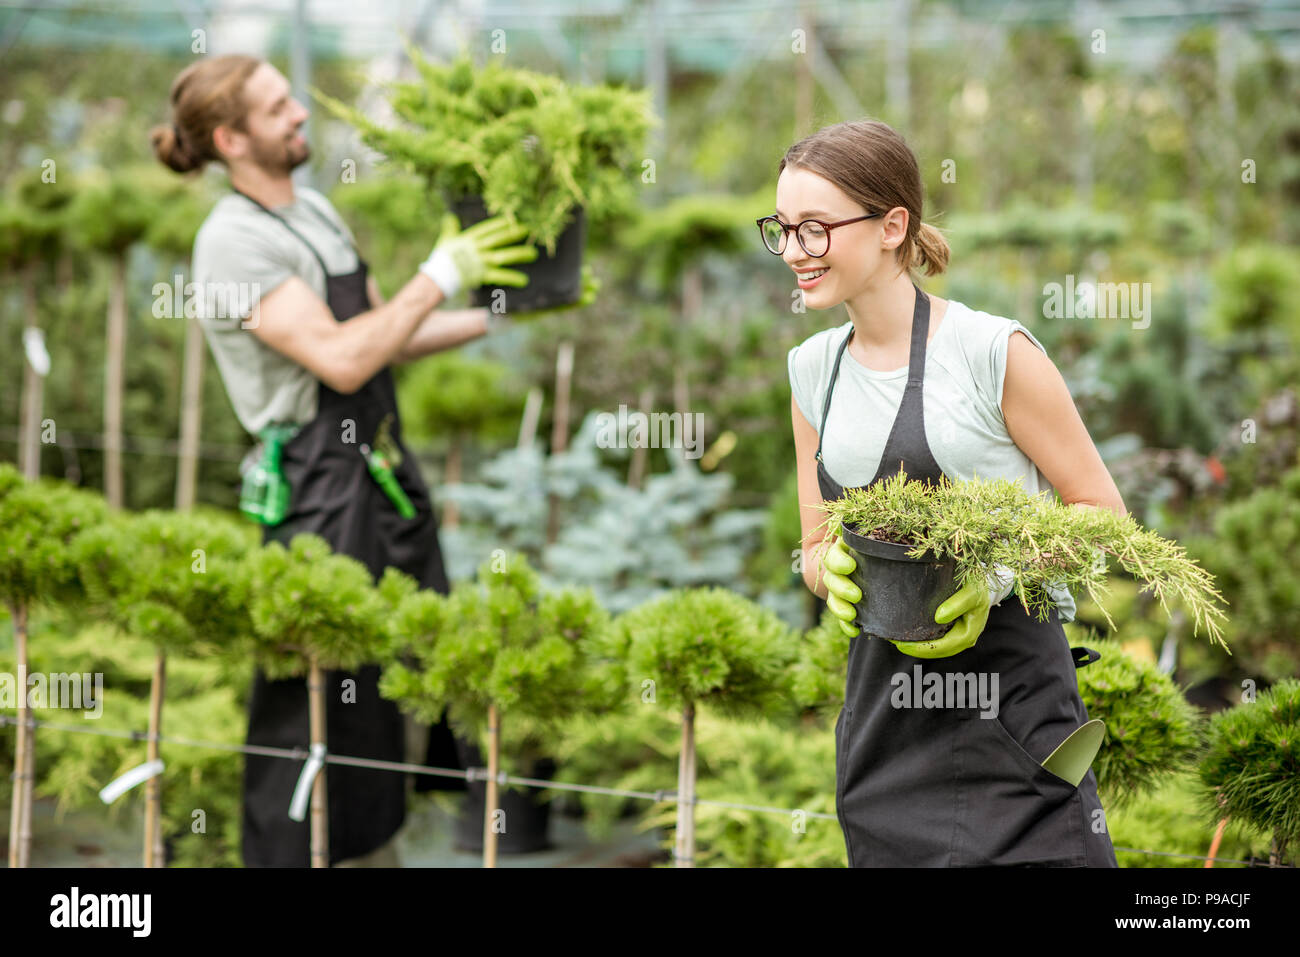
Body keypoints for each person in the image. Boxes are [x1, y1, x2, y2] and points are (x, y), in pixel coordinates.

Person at [152, 54, 538, 867]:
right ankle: (297, 855)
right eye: (276, 106)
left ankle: (371, 849)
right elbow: (342, 359)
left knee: (389, 680)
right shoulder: (232, 242)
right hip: (319, 489)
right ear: (230, 137)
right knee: (315, 694)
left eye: (292, 95)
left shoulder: (314, 210)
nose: (299, 112)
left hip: (377, 468)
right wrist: (438, 273)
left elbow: (383, 334)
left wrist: (500, 309)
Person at [773, 119, 1122, 867]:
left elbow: (1102, 514)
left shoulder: (993, 353)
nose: (793, 252)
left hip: (1016, 724)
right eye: (782, 228)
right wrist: (823, 575)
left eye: (815, 229)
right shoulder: (813, 371)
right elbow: (812, 542)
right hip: (887, 732)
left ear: (893, 225)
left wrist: (994, 576)